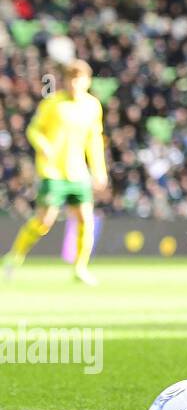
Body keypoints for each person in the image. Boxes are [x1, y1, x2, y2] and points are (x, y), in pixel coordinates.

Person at [3, 60, 108, 286]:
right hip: (53, 172)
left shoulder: (92, 106)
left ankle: (80, 267)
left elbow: (94, 141)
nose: (74, 84)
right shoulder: (52, 104)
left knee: (85, 220)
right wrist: (42, 145)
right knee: (45, 221)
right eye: (70, 79)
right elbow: (33, 129)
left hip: (78, 173)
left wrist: (99, 170)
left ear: (87, 81)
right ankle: (15, 257)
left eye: (78, 79)